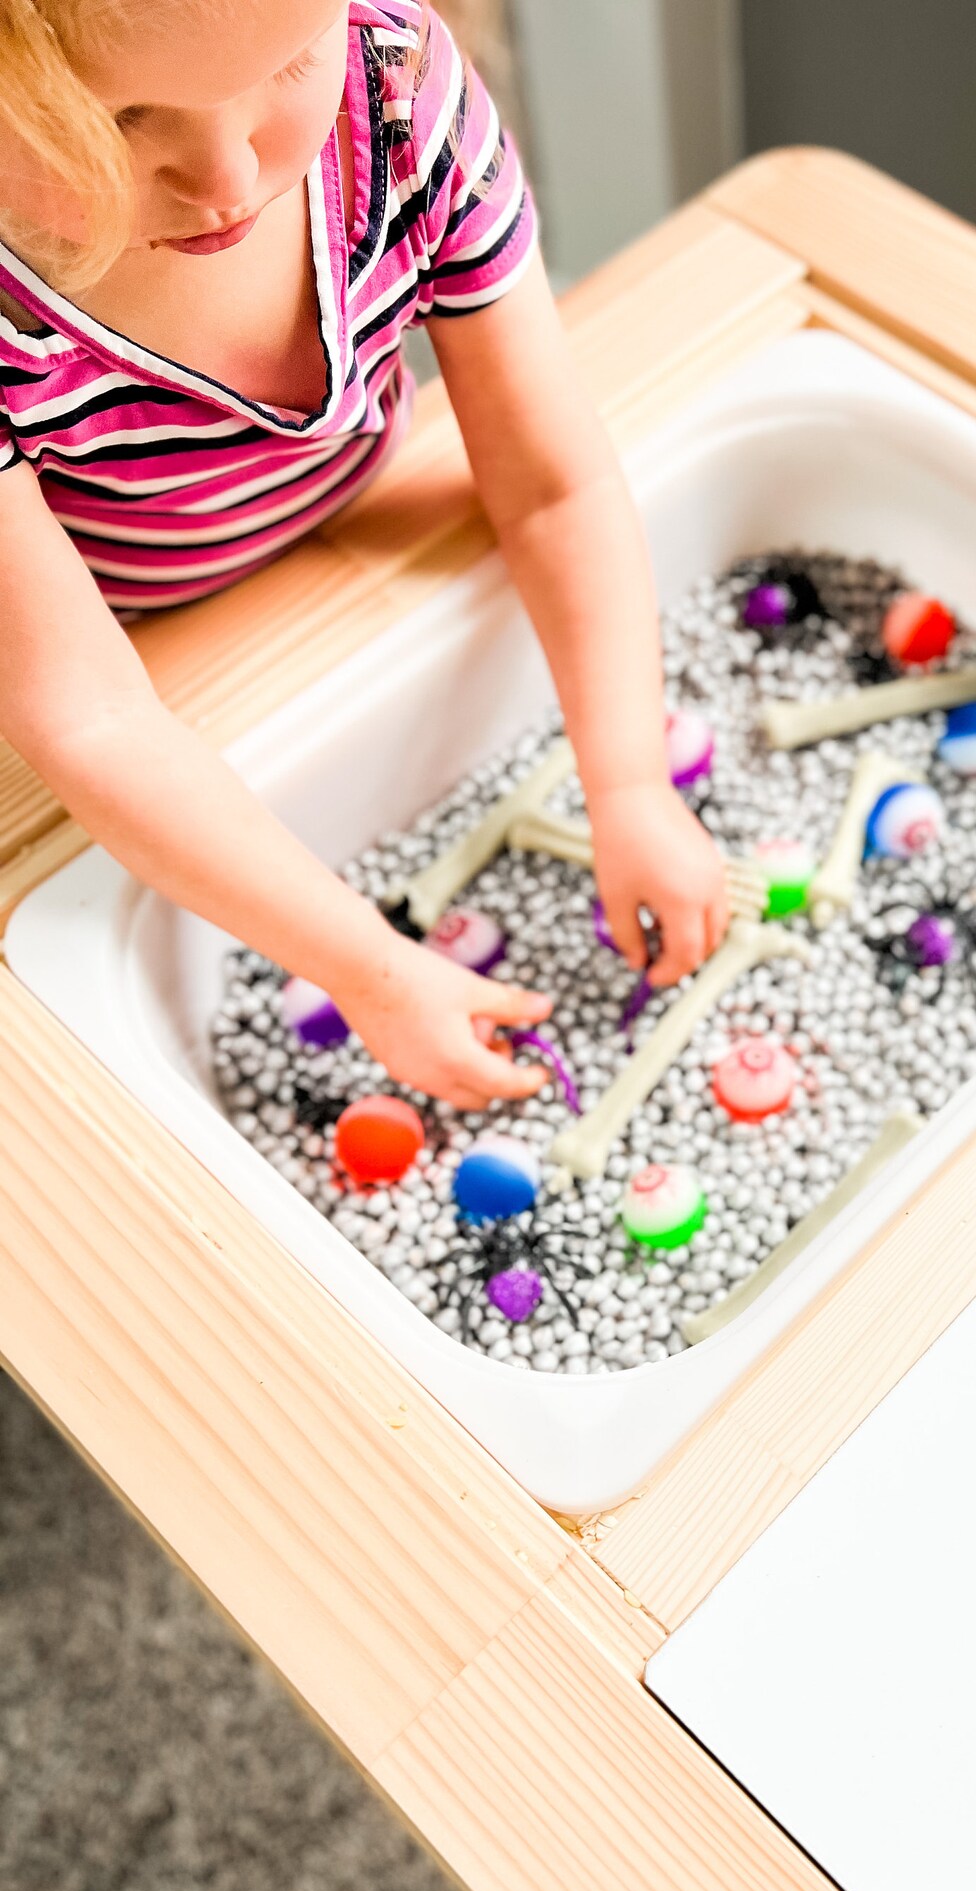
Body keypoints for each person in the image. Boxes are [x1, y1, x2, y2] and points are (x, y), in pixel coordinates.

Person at [0, 0, 728, 1107]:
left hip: (346, 541)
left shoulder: (397, 91)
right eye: (128, 119)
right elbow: (88, 713)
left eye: (288, 64)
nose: (227, 177)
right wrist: (365, 966)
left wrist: (626, 778)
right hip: (124, 639)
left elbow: (550, 482)